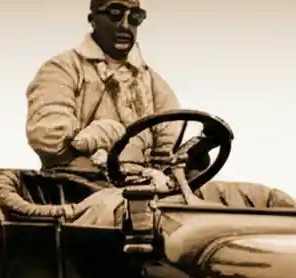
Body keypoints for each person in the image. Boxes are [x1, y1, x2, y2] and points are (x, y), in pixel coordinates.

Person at [23, 0, 181, 224]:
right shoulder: (62, 69)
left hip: (146, 189)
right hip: (76, 192)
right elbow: (49, 140)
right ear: (93, 19)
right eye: (115, 14)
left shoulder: (152, 82)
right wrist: (109, 163)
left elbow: (170, 141)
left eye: (135, 17)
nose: (126, 26)